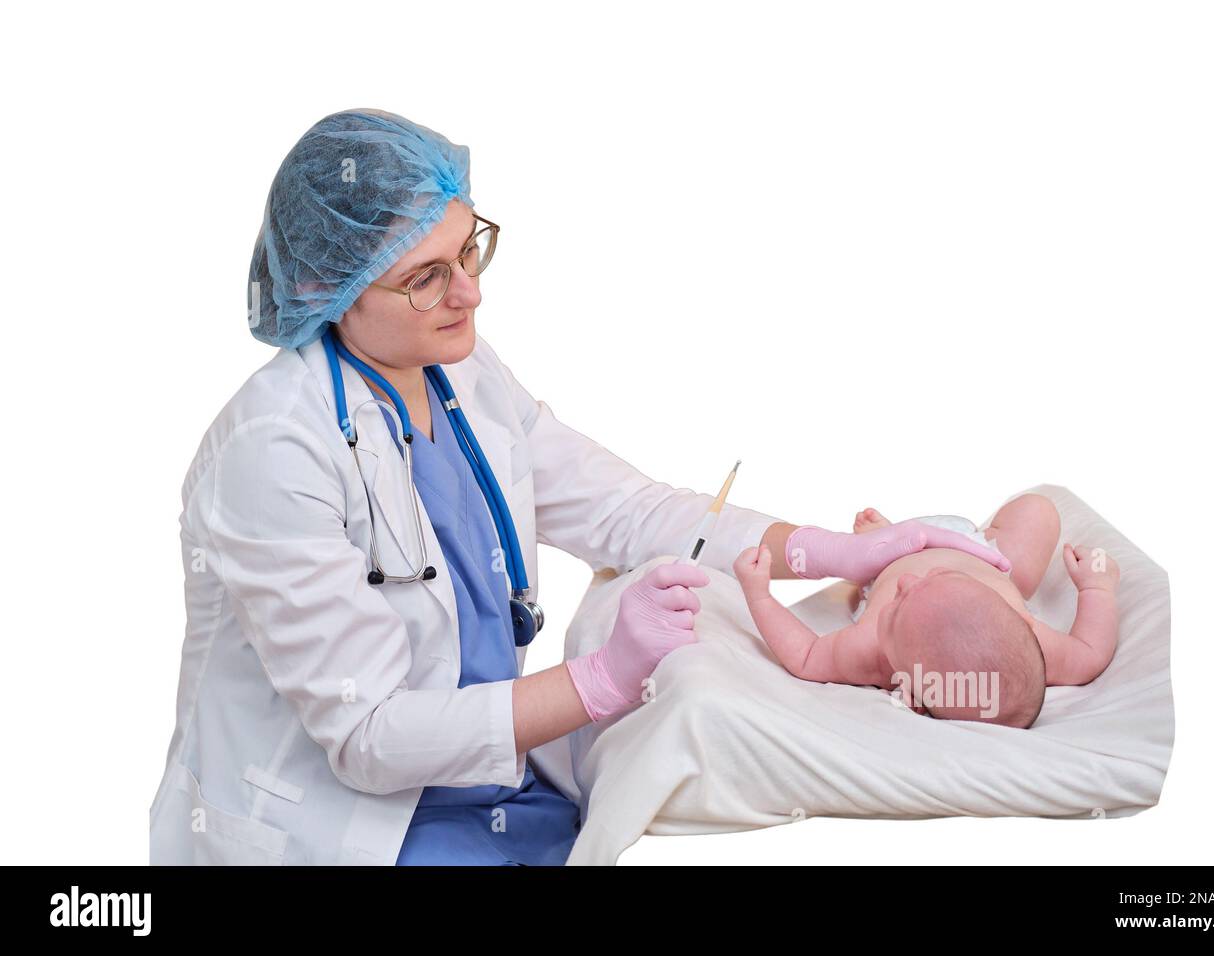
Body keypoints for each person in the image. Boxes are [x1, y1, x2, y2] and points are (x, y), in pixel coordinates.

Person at [149, 108, 1008, 865]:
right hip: (348, 827)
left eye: (469, 248)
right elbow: (370, 736)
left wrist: (840, 549)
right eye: (427, 277)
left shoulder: (460, 373)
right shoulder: (275, 451)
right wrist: (599, 679)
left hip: (487, 787)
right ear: (322, 288)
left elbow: (630, 513)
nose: (472, 291)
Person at [732, 494, 1121, 728]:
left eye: (897, 606)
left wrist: (760, 596)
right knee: (1038, 510)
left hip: (890, 559)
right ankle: (888, 538)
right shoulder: (1032, 643)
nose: (906, 584)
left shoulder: (871, 650)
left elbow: (805, 655)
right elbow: (1090, 652)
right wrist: (1096, 587)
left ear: (909, 688)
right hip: (986, 553)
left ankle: (881, 536)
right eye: (939, 577)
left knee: (1034, 512)